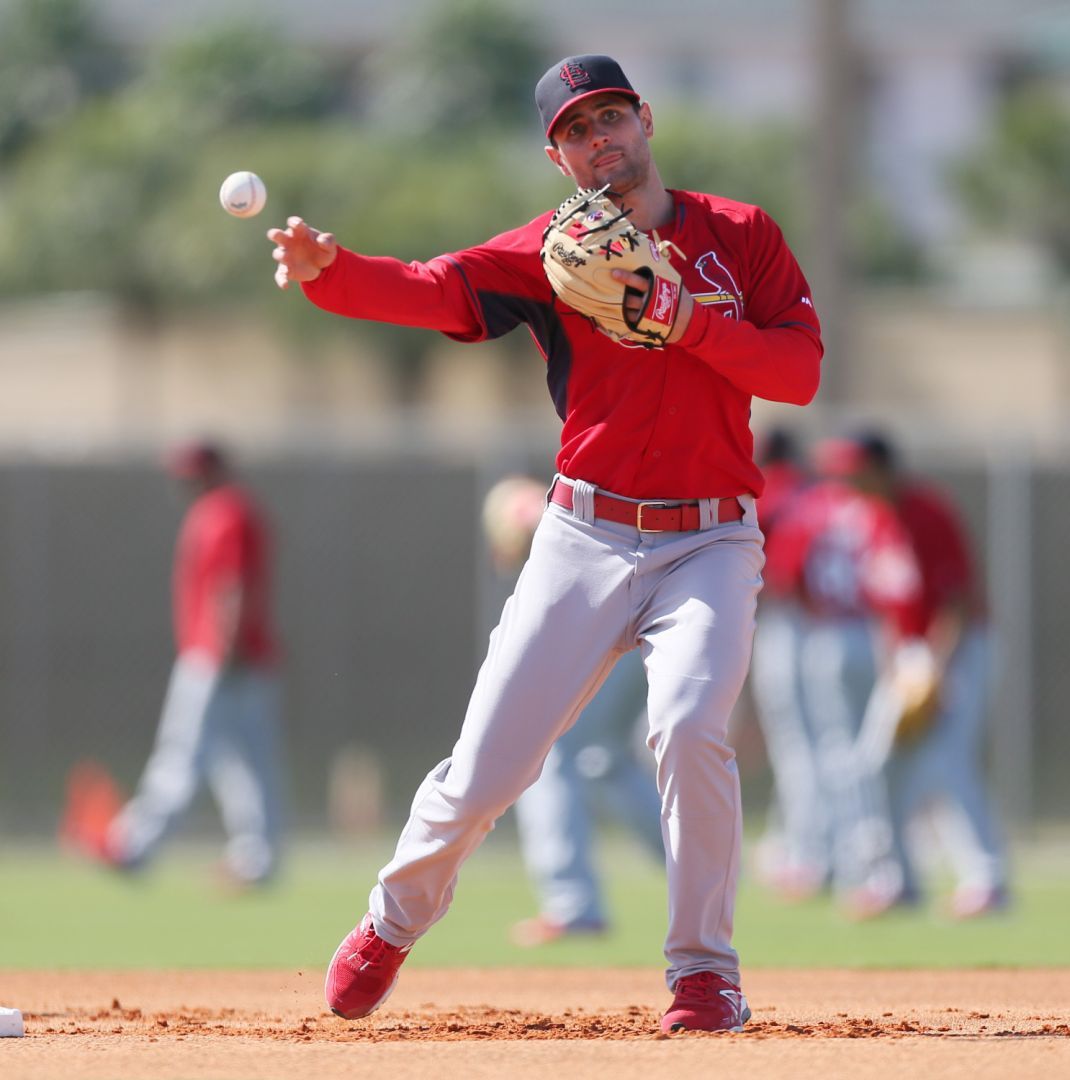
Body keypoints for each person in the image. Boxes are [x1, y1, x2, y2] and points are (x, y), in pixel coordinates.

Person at [268, 53, 822, 1033]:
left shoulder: (739, 234)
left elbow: (798, 370)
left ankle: (702, 972)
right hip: (584, 534)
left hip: (710, 542)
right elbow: (430, 288)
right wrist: (332, 274)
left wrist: (685, 319)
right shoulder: (548, 252)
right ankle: (392, 921)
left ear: (645, 119)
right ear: (554, 154)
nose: (597, 138)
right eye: (575, 129)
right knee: (489, 768)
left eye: (610, 116)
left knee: (692, 729)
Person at [62, 441, 285, 887]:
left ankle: (132, 846)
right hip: (241, 658)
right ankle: (256, 861)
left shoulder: (224, 511)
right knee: (245, 762)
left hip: (217, 657)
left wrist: (226, 648)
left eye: (191, 473)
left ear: (212, 471)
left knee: (184, 757)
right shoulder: (229, 509)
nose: (184, 482)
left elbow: (231, 584)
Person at [829, 432, 1009, 919]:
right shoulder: (870, 519)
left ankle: (988, 880)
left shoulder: (927, 511)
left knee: (949, 760)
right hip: (910, 652)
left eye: (854, 469)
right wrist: (897, 670)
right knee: (873, 763)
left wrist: (939, 670)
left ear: (883, 468)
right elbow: (888, 607)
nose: (846, 479)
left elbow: (957, 598)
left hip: (959, 645)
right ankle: (895, 881)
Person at [481, 475, 664, 947]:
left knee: (555, 753)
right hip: (635, 630)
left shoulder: (530, 502)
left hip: (614, 635)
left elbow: (521, 515)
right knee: (602, 762)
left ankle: (573, 904)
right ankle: (699, 866)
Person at [762, 440, 925, 916]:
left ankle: (856, 868)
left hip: (826, 635)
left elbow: (784, 578)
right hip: (871, 634)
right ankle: (871, 870)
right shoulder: (875, 511)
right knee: (866, 756)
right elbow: (898, 583)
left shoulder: (813, 510)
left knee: (842, 757)